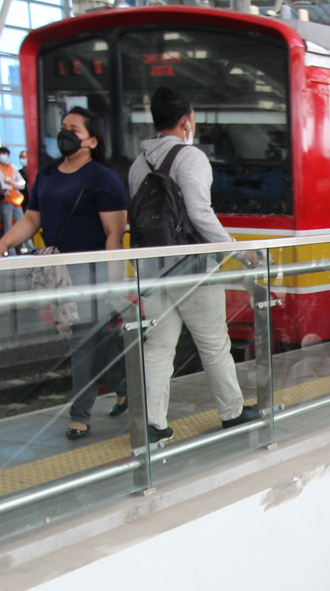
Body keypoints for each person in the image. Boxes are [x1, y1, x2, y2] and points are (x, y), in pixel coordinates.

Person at [129, 87, 260, 444]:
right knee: (214, 344)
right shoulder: (191, 157)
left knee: (157, 347)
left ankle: (152, 426)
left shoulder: (138, 163)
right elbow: (201, 212)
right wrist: (236, 251)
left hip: (153, 268)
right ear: (186, 121)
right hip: (193, 267)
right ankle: (232, 412)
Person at [0, 107, 129, 440]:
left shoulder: (103, 178)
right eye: (63, 127)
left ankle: (79, 416)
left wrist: (111, 281)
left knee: (81, 344)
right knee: (102, 341)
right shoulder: (48, 175)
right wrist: (4, 242)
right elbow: (32, 219)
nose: (66, 133)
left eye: (74, 129)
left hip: (92, 272)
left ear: (92, 140)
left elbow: (114, 232)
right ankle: (127, 388)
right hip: (59, 272)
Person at [0, 145, 24, 236]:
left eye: (4, 153)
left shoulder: (13, 167)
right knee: (7, 225)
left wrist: (13, 183)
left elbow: (22, 184)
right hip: (5, 200)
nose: (2, 156)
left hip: (16, 200)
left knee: (22, 225)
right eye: (0, 154)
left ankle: (29, 247)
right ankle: (11, 249)